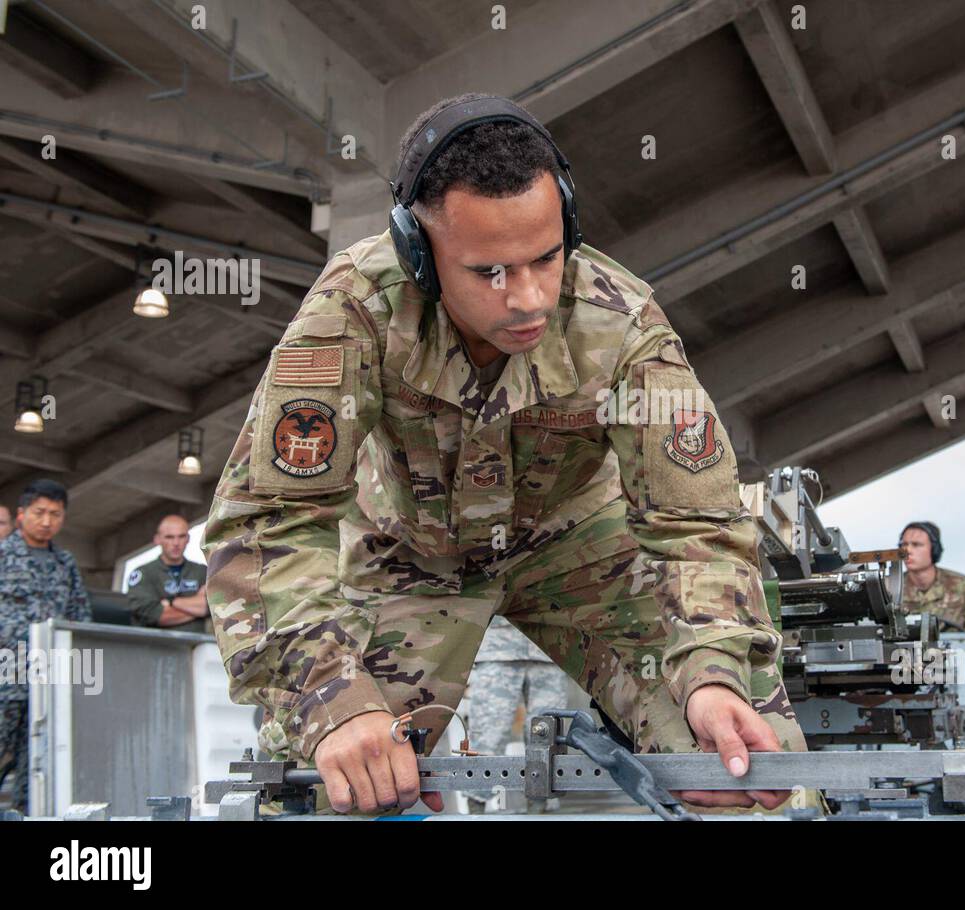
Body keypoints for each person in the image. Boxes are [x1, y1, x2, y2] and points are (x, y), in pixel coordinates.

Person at [204, 92, 808, 816]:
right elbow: (267, 520)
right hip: (413, 558)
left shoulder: (620, 321)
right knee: (329, 786)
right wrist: (332, 698)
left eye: (546, 258)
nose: (527, 297)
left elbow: (697, 523)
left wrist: (709, 672)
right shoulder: (356, 309)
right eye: (489, 271)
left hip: (584, 551)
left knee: (744, 766)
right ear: (418, 255)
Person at [0, 480, 91, 815]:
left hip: (47, 684)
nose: (47, 521)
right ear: (22, 514)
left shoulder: (64, 563)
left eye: (55, 514)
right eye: (39, 512)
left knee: (35, 765)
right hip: (5, 679)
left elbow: (79, 616)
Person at [464, 616, 569, 812]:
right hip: (498, 645)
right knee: (488, 735)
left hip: (550, 643)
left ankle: (542, 806)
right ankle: (475, 807)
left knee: (547, 736)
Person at [898, 521, 965, 632]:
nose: (907, 550)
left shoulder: (960, 585)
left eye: (916, 545)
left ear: (934, 549)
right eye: (903, 545)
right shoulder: (891, 588)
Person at [127, 515, 210, 634]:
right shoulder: (143, 574)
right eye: (169, 537)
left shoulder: (204, 572)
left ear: (188, 539)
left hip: (198, 646)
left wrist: (171, 602)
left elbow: (214, 607)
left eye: (181, 536)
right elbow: (154, 615)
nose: (176, 543)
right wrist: (197, 609)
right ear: (157, 539)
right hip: (155, 645)